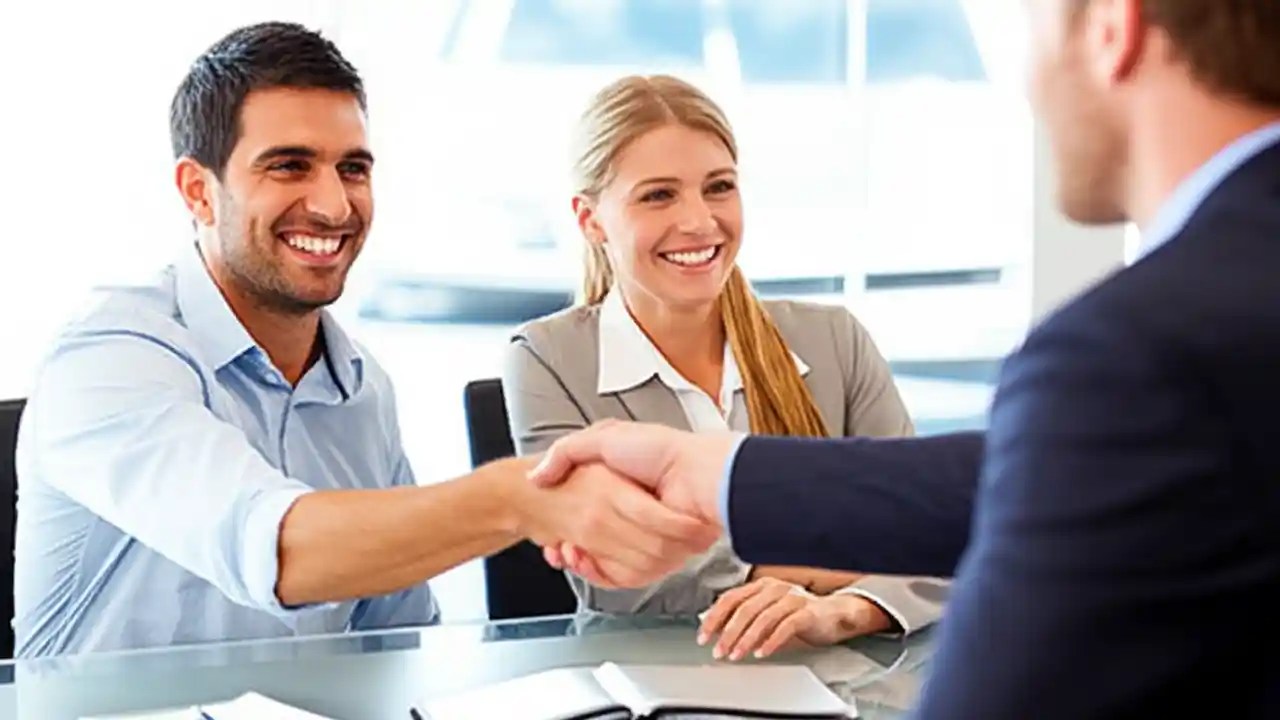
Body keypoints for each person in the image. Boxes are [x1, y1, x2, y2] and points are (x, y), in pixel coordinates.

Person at [529, 0, 1280, 716]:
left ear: (1115, 27)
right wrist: (723, 476)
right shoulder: (1210, 319)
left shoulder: (1135, 350)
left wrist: (823, 584)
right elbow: (1016, 483)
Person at [12, 22, 714, 659]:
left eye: (353, 167)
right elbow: (274, 547)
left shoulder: (360, 385)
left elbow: (398, 640)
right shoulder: (108, 357)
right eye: (288, 165)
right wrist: (519, 499)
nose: (333, 204)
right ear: (198, 191)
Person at [502, 74, 947, 659]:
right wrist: (836, 555)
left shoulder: (834, 340)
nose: (699, 221)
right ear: (591, 220)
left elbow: (933, 540)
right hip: (648, 682)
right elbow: (618, 567)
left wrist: (837, 610)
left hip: (843, 683)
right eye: (659, 195)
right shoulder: (547, 358)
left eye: (719, 188)